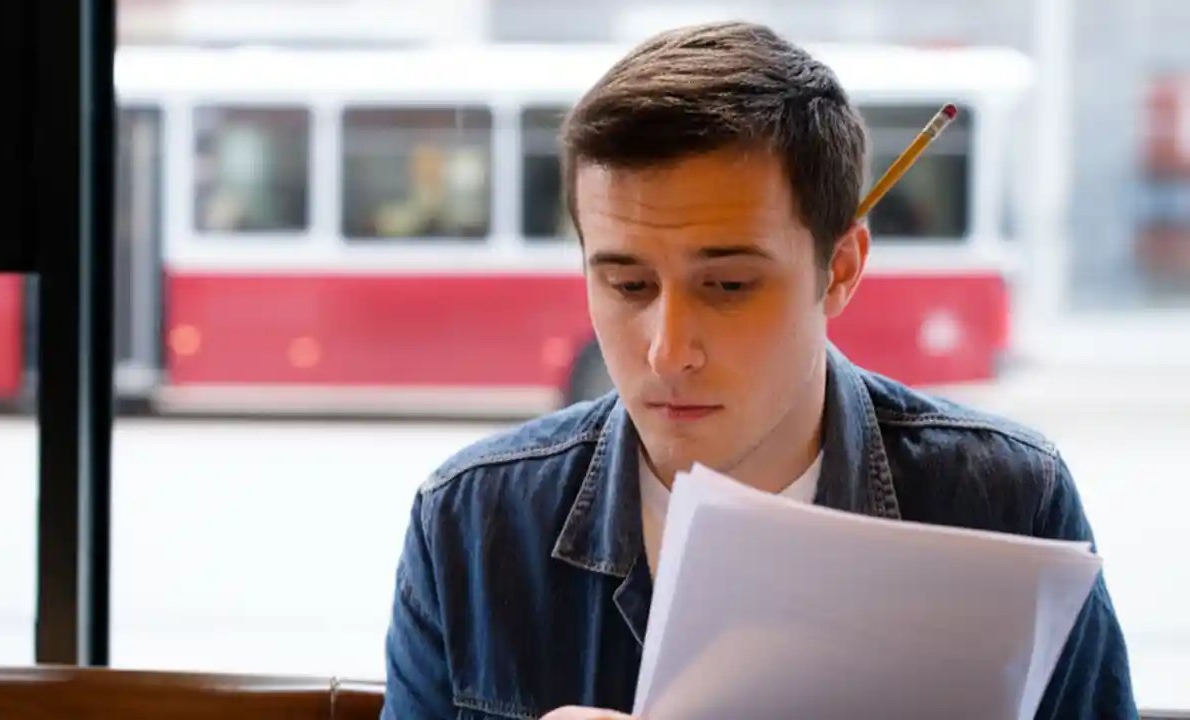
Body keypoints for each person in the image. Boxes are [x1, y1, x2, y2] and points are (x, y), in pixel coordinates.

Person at [380, 20, 1137, 720]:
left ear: (838, 268)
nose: (667, 351)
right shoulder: (471, 524)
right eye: (627, 285)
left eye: (730, 286)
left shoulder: (1007, 503)